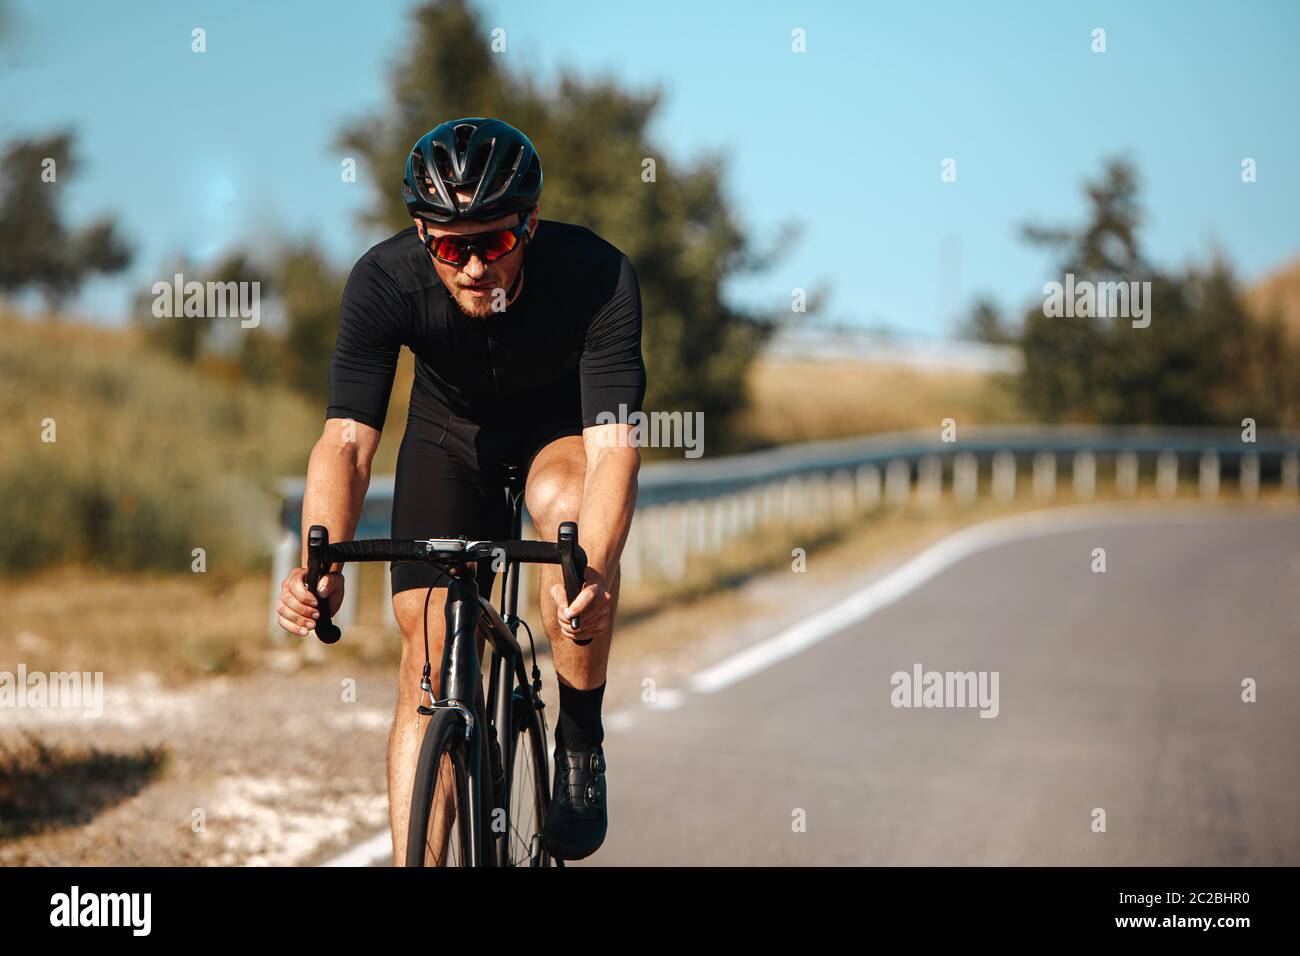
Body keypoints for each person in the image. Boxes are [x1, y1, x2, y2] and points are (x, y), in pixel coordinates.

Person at [274, 117, 644, 863]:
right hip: (451, 438)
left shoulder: (596, 275)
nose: (474, 267)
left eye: (495, 242)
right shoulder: (383, 281)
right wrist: (322, 568)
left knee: (569, 530)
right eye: (450, 246)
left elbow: (613, 452)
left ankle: (578, 736)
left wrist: (596, 574)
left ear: (530, 224)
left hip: (555, 435)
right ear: (421, 234)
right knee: (429, 654)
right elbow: (346, 443)